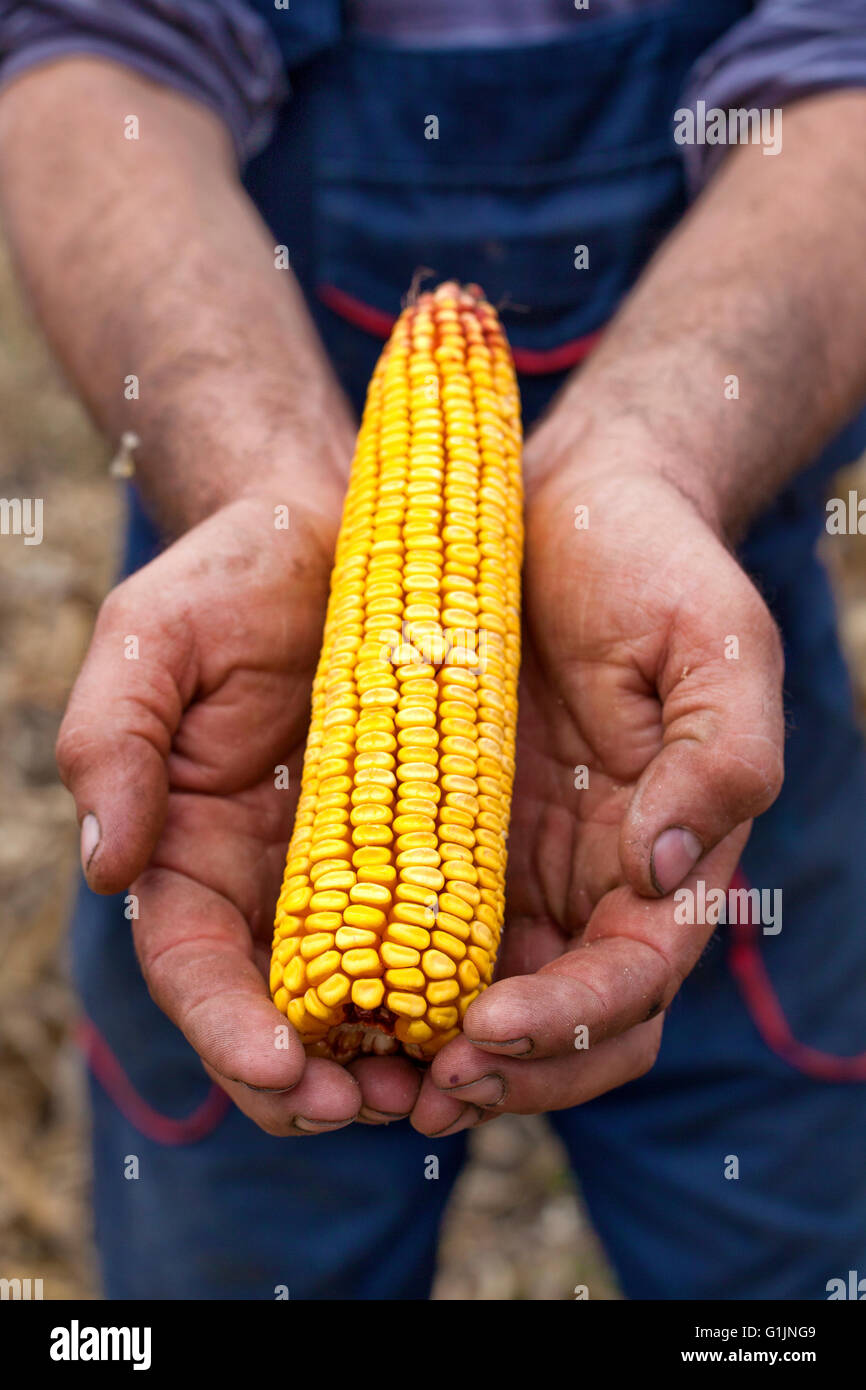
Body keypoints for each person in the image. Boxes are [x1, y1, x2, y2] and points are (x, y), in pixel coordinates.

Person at [1, 0, 865, 1301]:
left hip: (681, 692)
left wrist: (664, 455)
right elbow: (95, 57)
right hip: (254, 719)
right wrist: (252, 477)